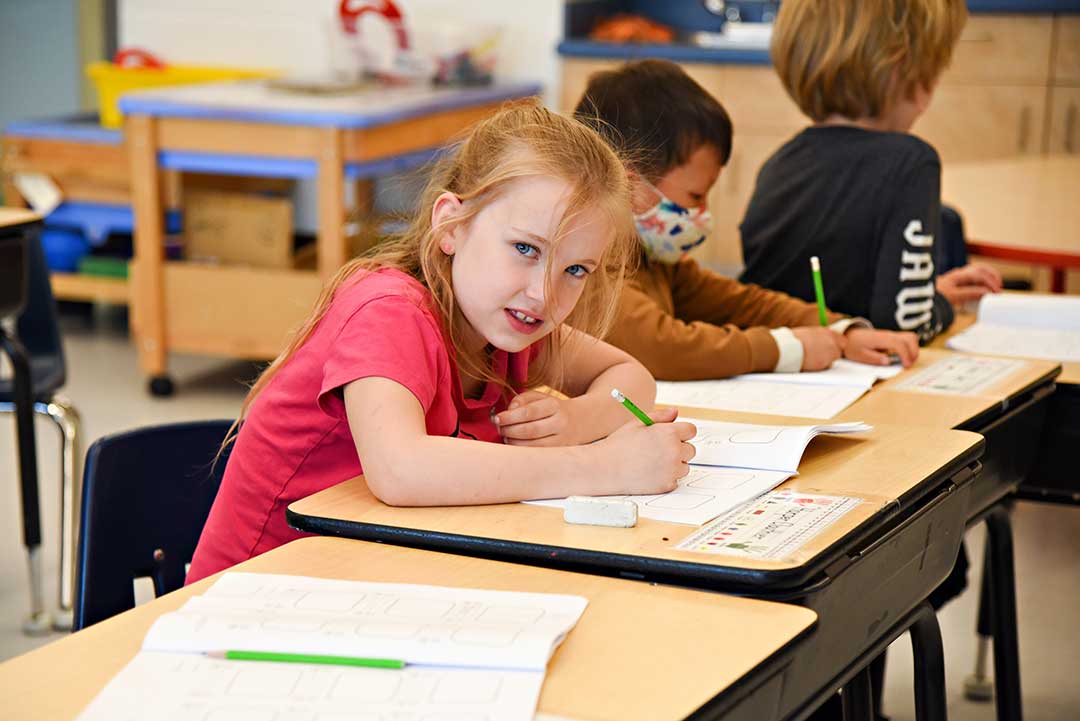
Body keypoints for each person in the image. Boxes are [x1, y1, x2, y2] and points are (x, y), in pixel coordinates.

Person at [187, 101, 697, 583]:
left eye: (575, 270)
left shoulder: (506, 320)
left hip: (375, 580)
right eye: (525, 248)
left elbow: (630, 378)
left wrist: (576, 420)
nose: (544, 293)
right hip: (255, 603)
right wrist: (604, 467)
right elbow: (401, 470)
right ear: (450, 224)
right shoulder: (389, 311)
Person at [573, 59, 918, 380]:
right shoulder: (585, 262)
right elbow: (661, 347)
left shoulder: (655, 259)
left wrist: (844, 331)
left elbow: (742, 304)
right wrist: (787, 349)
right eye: (695, 196)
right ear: (630, 186)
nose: (703, 213)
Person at [740, 0, 1001, 344]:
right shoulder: (911, 162)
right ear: (907, 71)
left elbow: (836, 288)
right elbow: (906, 326)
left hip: (780, 359)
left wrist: (931, 293)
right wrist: (940, 308)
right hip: (854, 376)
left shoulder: (781, 161)